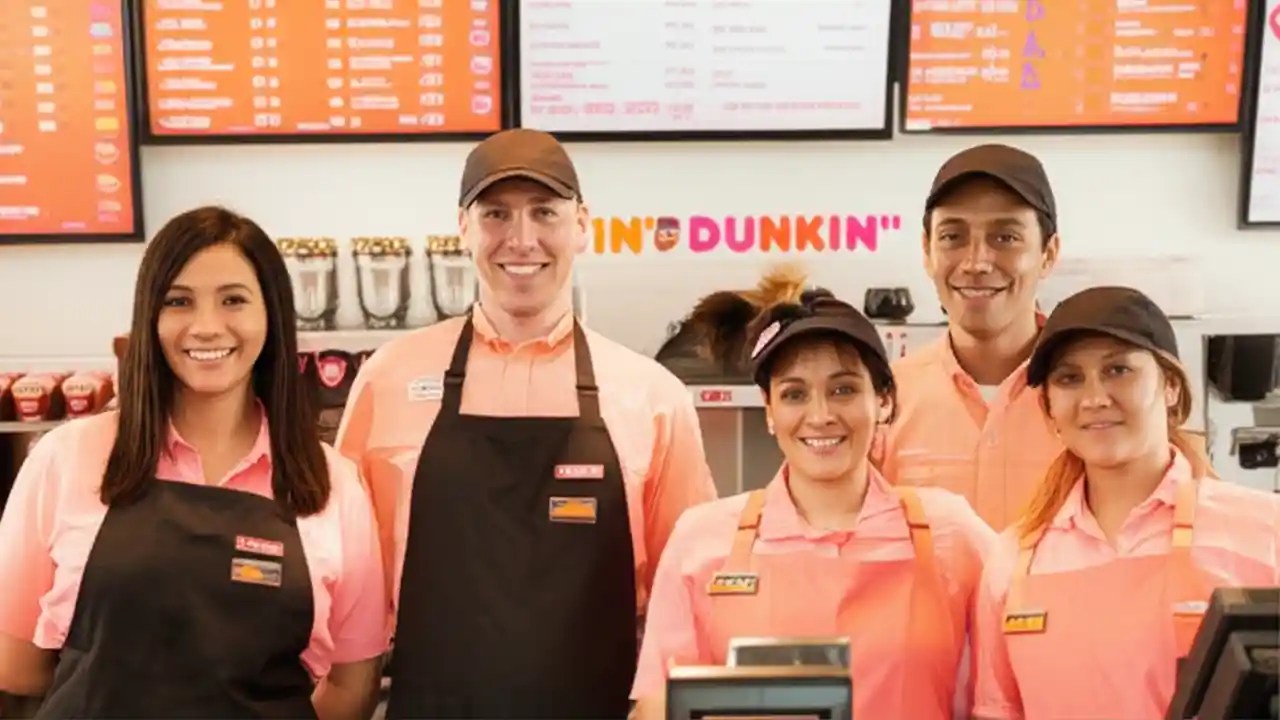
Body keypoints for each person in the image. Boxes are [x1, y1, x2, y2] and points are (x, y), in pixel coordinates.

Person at [334, 128, 718, 719]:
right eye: (496, 215)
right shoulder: (387, 381)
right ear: (463, 228)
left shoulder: (651, 396)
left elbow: (692, 598)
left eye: (544, 212)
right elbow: (344, 590)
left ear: (583, 225)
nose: (522, 239)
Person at [0, 207, 389, 718]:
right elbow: (14, 663)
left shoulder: (334, 484)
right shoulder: (65, 458)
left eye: (233, 300)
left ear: (270, 315)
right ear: (150, 318)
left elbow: (351, 687)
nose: (206, 327)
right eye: (179, 301)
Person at [630, 291, 998, 720]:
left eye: (843, 389)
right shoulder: (703, 538)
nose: (820, 415)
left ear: (883, 401)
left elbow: (1005, 693)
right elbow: (654, 708)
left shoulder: (950, 533)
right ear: (769, 411)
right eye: (794, 394)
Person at [972, 286, 1280, 720]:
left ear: (1170, 386)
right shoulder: (1015, 558)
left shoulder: (1265, 530)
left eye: (1118, 370)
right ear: (1050, 409)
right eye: (1069, 378)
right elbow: (997, 712)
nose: (1095, 398)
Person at [877, 144, 1064, 530]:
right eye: (953, 237)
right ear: (926, 250)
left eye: (1005, 237)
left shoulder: (1098, 404)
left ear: (1048, 254)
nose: (976, 262)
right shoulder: (884, 402)